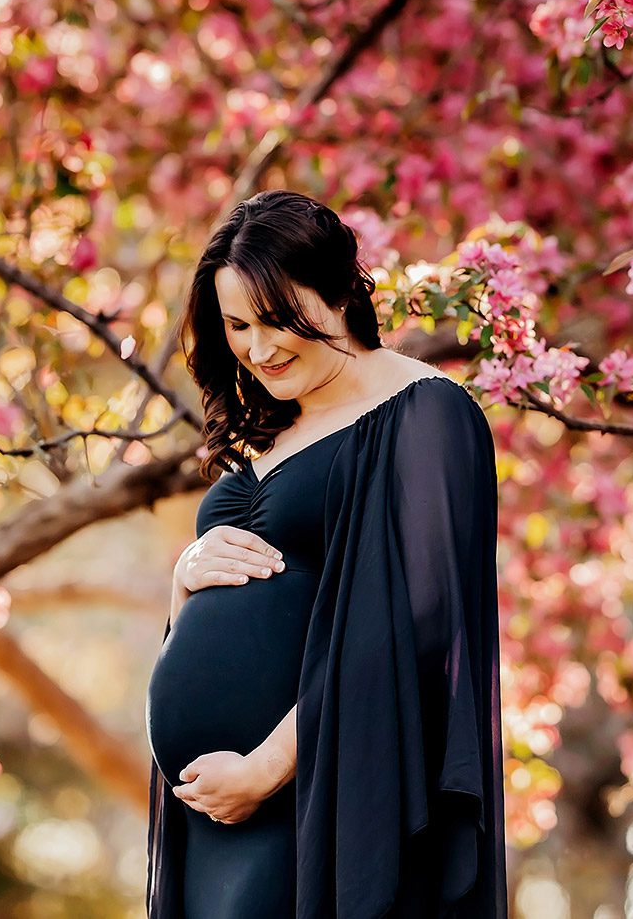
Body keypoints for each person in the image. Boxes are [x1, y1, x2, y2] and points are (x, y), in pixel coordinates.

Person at [145, 189, 506, 916]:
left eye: (278, 319)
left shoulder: (427, 412)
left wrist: (264, 768)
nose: (259, 347)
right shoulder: (267, 430)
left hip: (323, 799)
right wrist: (186, 582)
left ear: (341, 289)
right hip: (208, 808)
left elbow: (412, 634)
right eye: (238, 325)